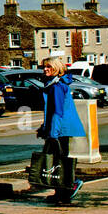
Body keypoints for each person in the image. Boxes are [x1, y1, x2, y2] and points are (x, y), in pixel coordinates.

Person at [38, 55, 86, 204]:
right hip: (59, 128)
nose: (45, 69)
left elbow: (58, 111)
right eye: (44, 67)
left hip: (60, 130)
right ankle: (61, 193)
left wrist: (53, 133)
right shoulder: (54, 84)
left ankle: (71, 184)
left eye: (49, 67)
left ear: (56, 69)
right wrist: (44, 128)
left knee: (59, 161)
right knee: (57, 161)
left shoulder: (57, 87)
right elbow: (51, 110)